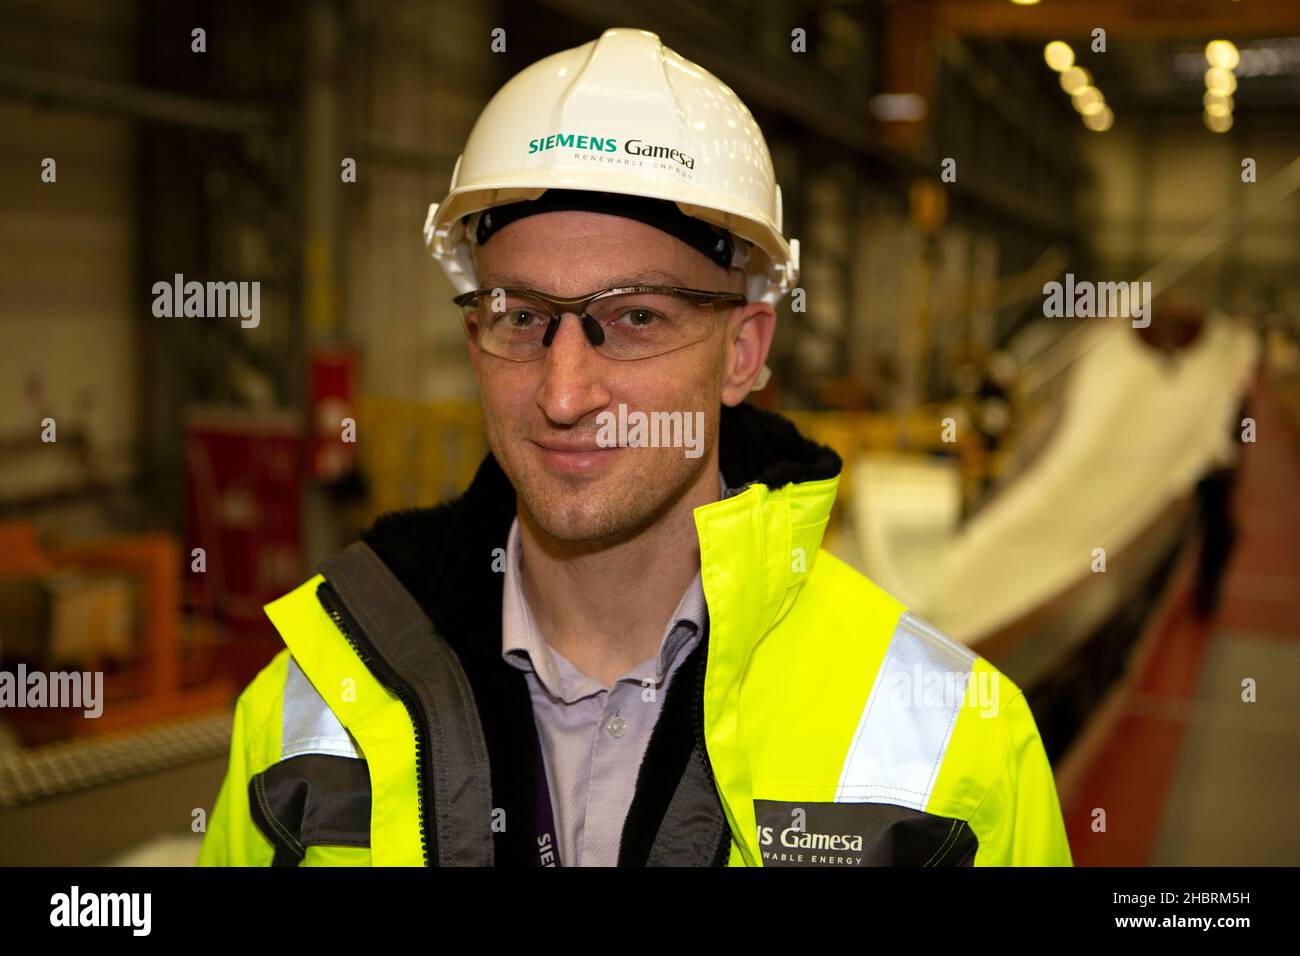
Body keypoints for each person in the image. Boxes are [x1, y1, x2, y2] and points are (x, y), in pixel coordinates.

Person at [197, 27, 1072, 867]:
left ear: (743, 354)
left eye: (636, 318)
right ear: (476, 341)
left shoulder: (953, 742)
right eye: (523, 317)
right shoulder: (308, 708)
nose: (565, 393)